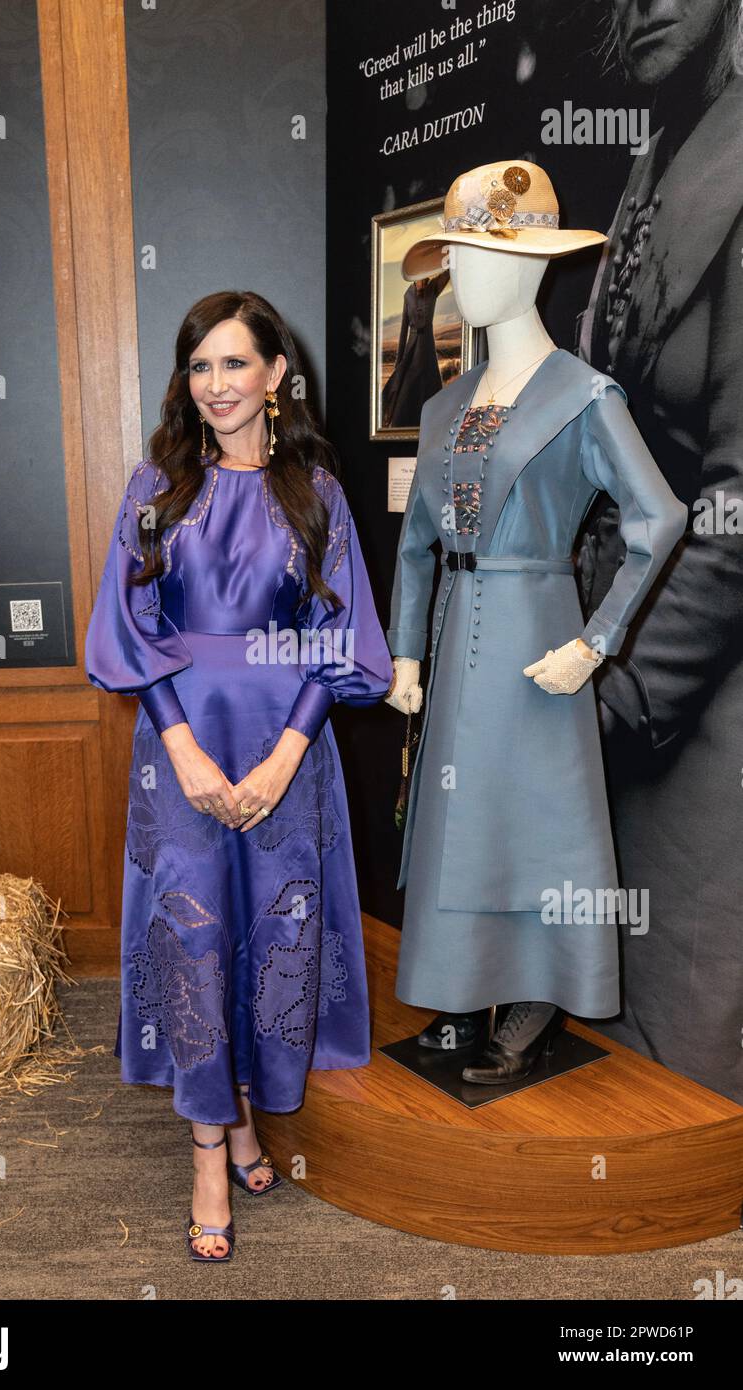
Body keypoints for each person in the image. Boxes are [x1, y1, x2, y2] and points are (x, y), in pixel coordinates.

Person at [84, 291, 394, 1260]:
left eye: (234, 363)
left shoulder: (317, 493)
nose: (215, 384)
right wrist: (179, 745)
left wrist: (288, 751)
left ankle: (247, 1111)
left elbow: (340, 641)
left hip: (286, 744)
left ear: (274, 375)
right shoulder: (155, 486)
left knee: (272, 931)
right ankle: (209, 1147)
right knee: (196, 940)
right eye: (199, 365)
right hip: (179, 742)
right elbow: (124, 634)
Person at [387, 161, 687, 1084]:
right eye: (457, 255)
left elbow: (660, 518)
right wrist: (404, 653)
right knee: (461, 820)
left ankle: (541, 991)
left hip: (538, 634)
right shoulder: (444, 407)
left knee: (538, 822)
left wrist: (596, 642)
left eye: (480, 252)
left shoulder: (582, 395)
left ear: (530, 265)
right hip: (455, 633)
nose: (463, 277)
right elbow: (415, 547)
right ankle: (464, 986)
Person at [577, 0, 743, 1103]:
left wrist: (620, 695)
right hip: (621, 644)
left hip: (704, 676)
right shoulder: (655, 153)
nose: (634, 14)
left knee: (688, 1044)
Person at [381, 271, 451, 429]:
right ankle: (402, 424)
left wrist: (450, 258)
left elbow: (448, 274)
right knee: (407, 388)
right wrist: (398, 363)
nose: (422, 281)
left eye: (424, 277)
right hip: (412, 348)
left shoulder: (433, 288)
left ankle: (432, 426)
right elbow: (403, 329)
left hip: (428, 347)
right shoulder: (408, 295)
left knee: (430, 386)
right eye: (419, 278)